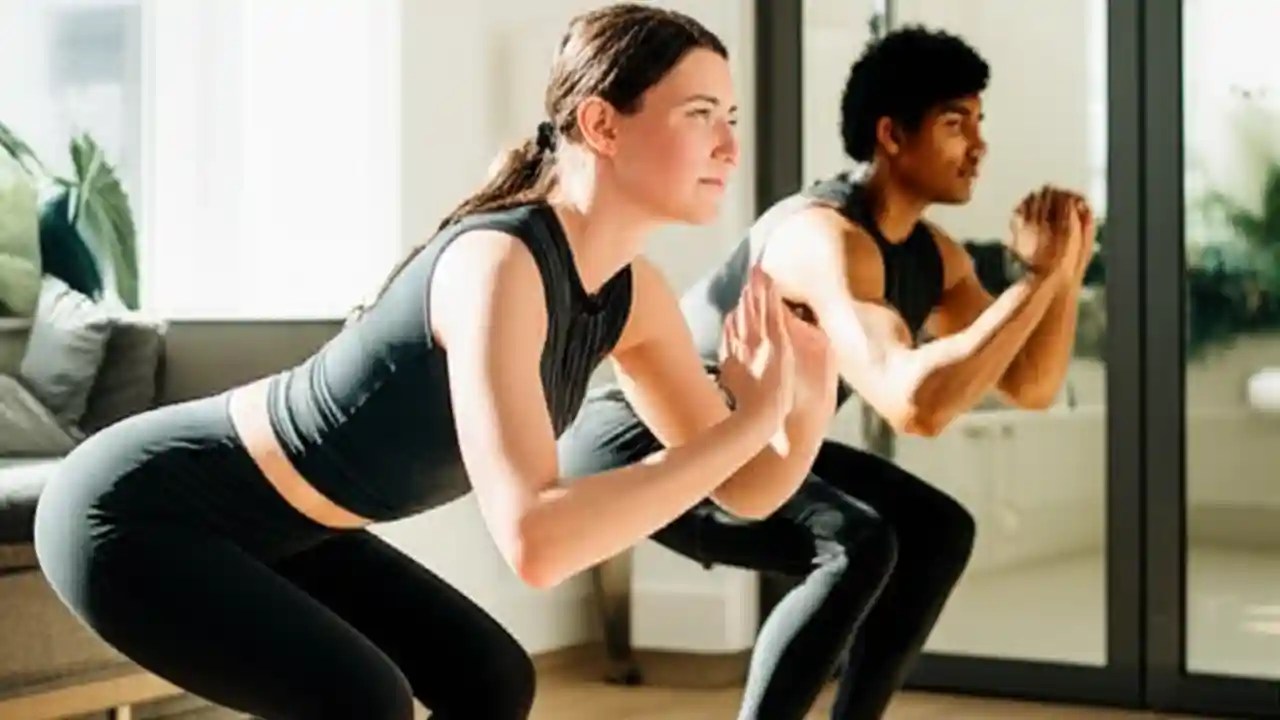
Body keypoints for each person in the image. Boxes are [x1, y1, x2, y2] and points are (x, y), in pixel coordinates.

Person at [31, 5, 837, 719]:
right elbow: (537, 543)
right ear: (602, 125)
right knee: (362, 701)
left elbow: (747, 489)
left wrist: (805, 387)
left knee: (488, 682)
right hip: (139, 511)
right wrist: (754, 417)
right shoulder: (499, 265)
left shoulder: (634, 296)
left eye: (730, 115)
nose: (731, 145)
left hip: (290, 530)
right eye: (702, 115)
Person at [557, 25, 1096, 720]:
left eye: (979, 123)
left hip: (751, 445)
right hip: (645, 437)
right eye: (955, 124)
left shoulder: (934, 256)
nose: (979, 147)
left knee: (936, 529)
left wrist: (1060, 274)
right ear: (892, 136)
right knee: (855, 543)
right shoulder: (824, 237)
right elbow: (916, 407)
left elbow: (1031, 385)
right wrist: (1037, 282)